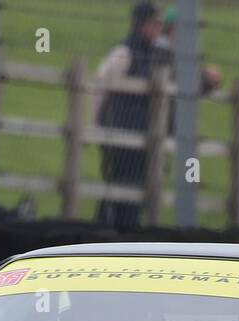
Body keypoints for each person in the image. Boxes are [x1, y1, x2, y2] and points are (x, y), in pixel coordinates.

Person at [93, 2, 164, 230]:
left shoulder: (154, 54)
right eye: (155, 23)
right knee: (119, 188)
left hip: (143, 138)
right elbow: (99, 89)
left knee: (134, 191)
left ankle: (121, 230)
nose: (158, 28)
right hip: (121, 136)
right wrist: (96, 126)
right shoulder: (124, 54)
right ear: (142, 25)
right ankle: (110, 230)